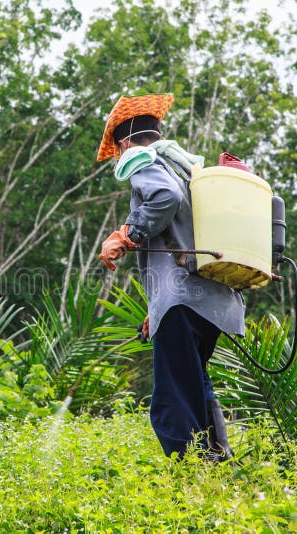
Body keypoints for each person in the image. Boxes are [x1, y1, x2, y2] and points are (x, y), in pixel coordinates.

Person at [96, 94, 245, 460]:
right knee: (193, 382)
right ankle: (217, 457)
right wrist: (157, 309)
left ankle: (190, 472)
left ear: (126, 143)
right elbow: (185, 235)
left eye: (120, 148)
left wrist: (127, 234)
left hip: (182, 299)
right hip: (209, 299)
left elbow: (164, 198)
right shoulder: (187, 169)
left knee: (172, 398)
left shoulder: (145, 161)